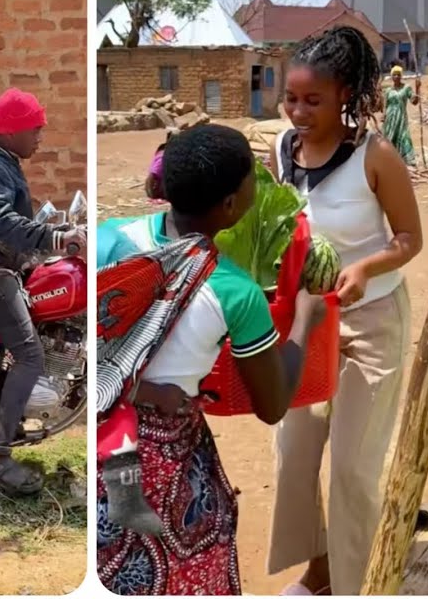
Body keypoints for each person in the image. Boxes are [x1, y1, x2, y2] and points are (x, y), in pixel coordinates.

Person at [97, 123, 330, 595]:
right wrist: (305, 319)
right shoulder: (235, 293)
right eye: (250, 178)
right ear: (231, 204)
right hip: (166, 466)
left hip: (103, 442)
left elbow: (78, 346)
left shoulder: (110, 237)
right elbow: (272, 405)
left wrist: (140, 387)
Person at [266, 26, 423, 596]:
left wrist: (366, 268)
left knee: (354, 468)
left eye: (313, 100)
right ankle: (320, 571)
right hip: (306, 322)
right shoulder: (281, 151)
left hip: (373, 321)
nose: (298, 112)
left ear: (346, 97)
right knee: (294, 453)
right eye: (291, 98)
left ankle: (359, 584)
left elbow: (409, 238)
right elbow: (275, 224)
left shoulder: (374, 157)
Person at [0, 87, 86, 495]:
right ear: (11, 131)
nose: (40, 138)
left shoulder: (0, 158)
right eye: (35, 130)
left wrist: (58, 232)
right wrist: (58, 240)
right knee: (29, 355)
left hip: (2, 265)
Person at [381, 65, 420, 165]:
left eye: (398, 75)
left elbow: (414, 101)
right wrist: (384, 115)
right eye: (394, 75)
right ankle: (389, 159)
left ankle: (408, 160)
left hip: (401, 117)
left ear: (401, 76)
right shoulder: (388, 90)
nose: (397, 77)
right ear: (392, 77)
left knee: (404, 136)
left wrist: (417, 88)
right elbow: (385, 105)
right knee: (389, 137)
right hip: (390, 118)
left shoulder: (406, 88)